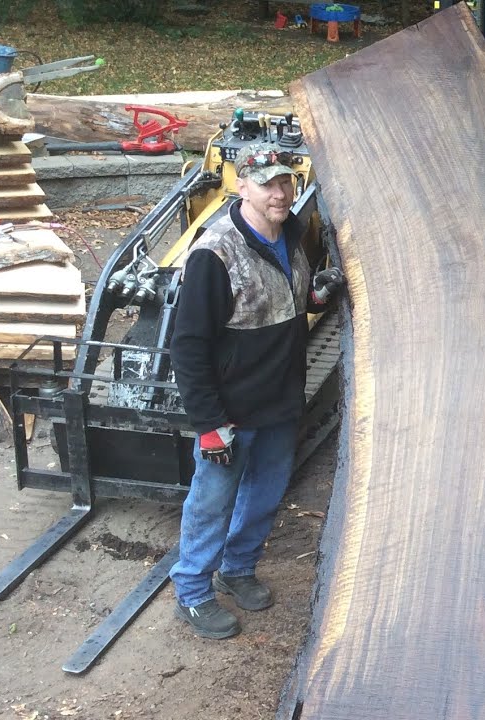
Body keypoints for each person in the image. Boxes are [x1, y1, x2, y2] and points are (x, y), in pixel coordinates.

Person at [168, 142, 346, 639]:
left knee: (265, 496)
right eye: (266, 183)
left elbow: (284, 299)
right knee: (211, 503)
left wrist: (316, 293)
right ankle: (194, 592)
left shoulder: (291, 232)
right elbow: (188, 347)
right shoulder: (214, 252)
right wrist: (208, 425)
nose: (280, 192)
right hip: (231, 411)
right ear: (241, 186)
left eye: (286, 181)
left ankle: (238, 569)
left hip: (280, 401)